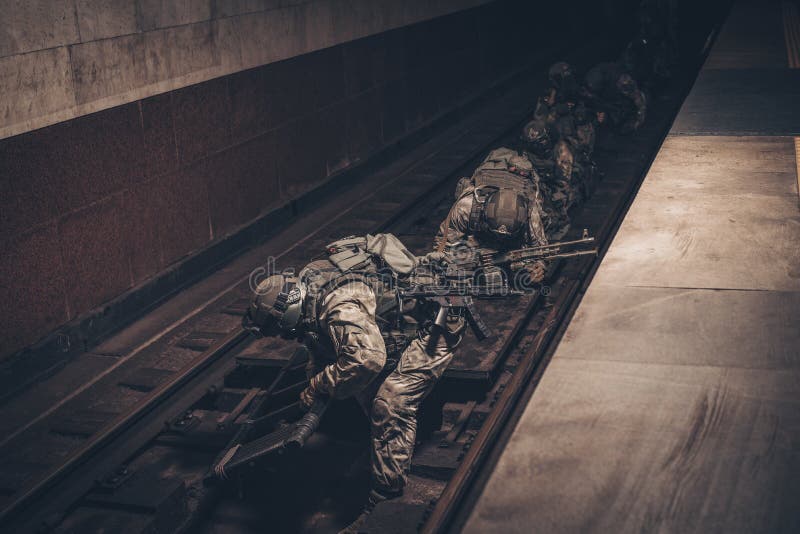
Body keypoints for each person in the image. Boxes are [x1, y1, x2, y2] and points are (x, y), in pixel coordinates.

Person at [243, 233, 464, 528]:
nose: (283, 337)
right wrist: (317, 380)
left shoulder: (339, 304)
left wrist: (320, 384)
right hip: (397, 326)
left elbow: (368, 359)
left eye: (281, 331)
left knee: (391, 400)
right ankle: (398, 439)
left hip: (436, 322)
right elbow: (320, 346)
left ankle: (385, 497)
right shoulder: (309, 285)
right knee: (362, 389)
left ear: (287, 314)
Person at [435, 148, 548, 282]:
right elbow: (445, 245)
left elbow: (540, 250)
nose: (499, 236)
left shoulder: (530, 213)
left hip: (512, 250)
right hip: (478, 244)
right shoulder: (466, 206)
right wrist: (450, 269)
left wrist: (538, 267)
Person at [582, 61, 647, 134]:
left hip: (624, 107)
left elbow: (639, 102)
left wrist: (636, 123)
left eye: (590, 91)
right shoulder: (592, 80)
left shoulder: (623, 82)